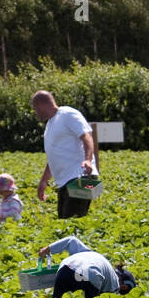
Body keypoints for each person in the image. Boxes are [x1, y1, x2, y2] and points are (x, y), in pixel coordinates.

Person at [31, 90, 96, 220]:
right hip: (65, 182)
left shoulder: (68, 114)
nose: (35, 113)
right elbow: (54, 156)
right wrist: (44, 181)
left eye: (35, 109)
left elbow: (87, 137)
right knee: (64, 224)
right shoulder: (50, 124)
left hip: (82, 177)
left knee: (72, 225)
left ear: (40, 105)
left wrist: (88, 160)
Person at [37, 236, 137, 298]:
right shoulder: (114, 281)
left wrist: (47, 249)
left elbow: (72, 240)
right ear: (122, 285)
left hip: (65, 268)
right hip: (89, 275)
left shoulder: (90, 253)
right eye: (123, 289)